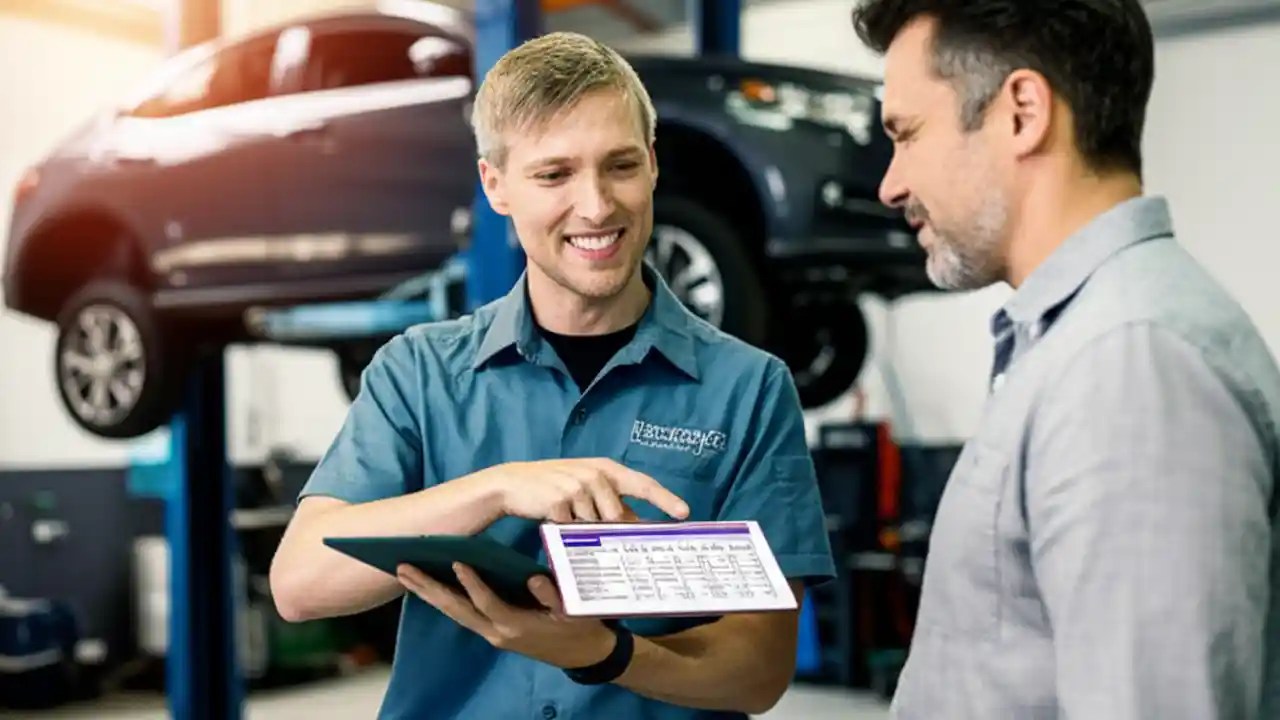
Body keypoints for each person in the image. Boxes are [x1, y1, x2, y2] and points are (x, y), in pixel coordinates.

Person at [268, 31, 836, 720]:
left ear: (654, 166)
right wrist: (496, 490)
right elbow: (301, 584)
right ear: (495, 185)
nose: (596, 206)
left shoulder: (748, 391)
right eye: (554, 174)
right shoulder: (417, 374)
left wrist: (604, 654)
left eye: (620, 166)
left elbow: (758, 671)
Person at [847, 0, 1280, 717]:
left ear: (1022, 112)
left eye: (907, 135)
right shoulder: (1078, 344)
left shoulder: (1129, 367)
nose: (890, 184)